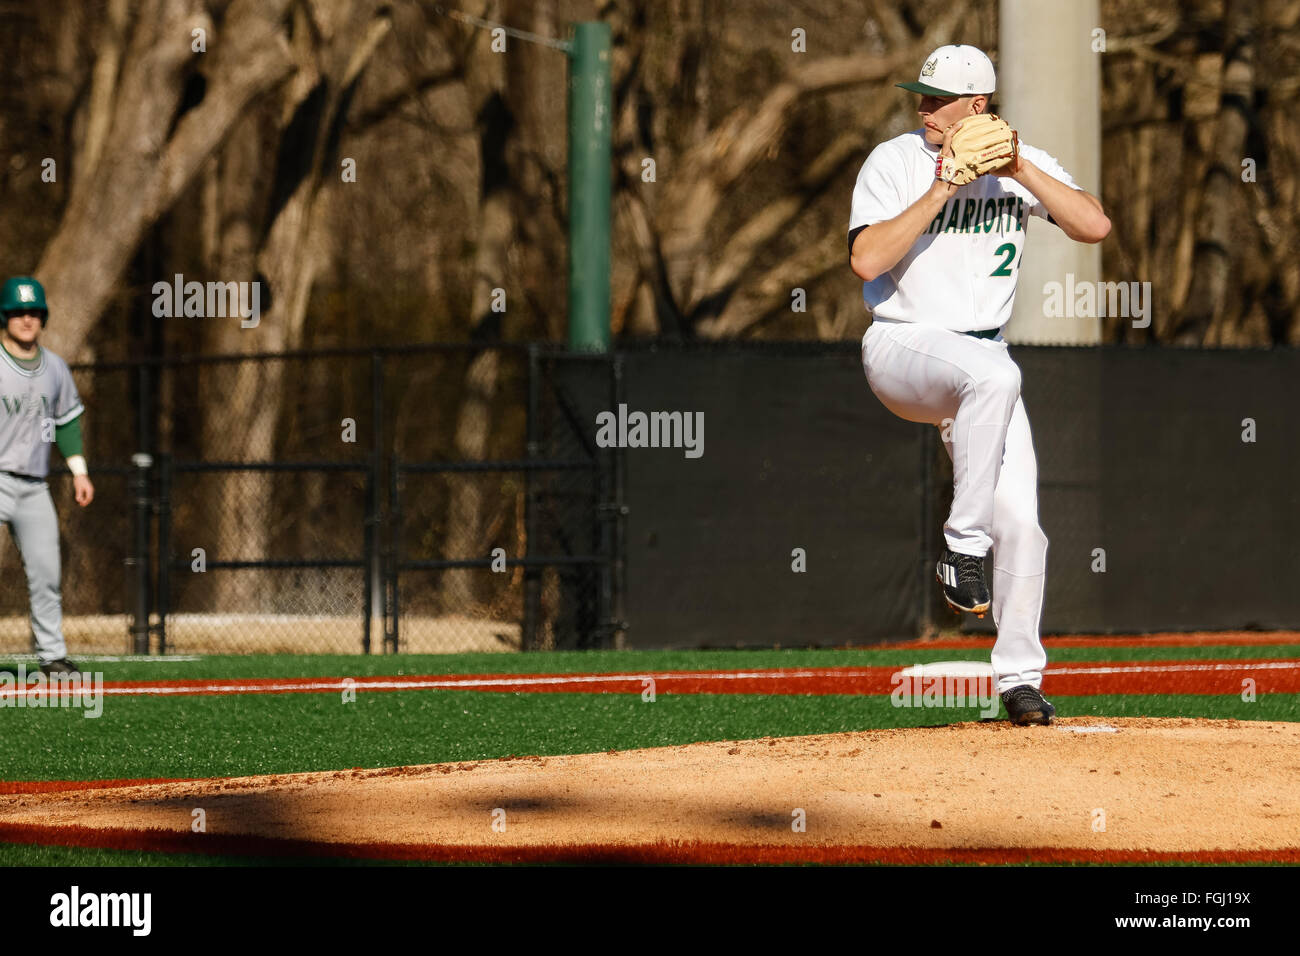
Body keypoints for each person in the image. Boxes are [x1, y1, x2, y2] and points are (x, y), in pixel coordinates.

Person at [848, 45, 1110, 725]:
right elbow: (866, 259)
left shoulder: (1017, 164)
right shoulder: (897, 161)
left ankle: (1020, 680)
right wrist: (941, 187)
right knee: (997, 373)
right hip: (905, 348)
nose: (923, 107)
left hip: (982, 371)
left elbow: (1094, 225)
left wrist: (1020, 167)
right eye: (923, 96)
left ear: (978, 106)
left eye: (937, 98)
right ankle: (964, 549)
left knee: (1024, 524)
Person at [0, 276, 94, 677]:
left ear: (43, 318)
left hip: (35, 485)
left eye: (33, 312)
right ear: (5, 317)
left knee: (47, 572)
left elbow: (67, 423)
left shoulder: (55, 367)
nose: (26, 318)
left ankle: (52, 656)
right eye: (18, 312)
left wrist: (79, 472)